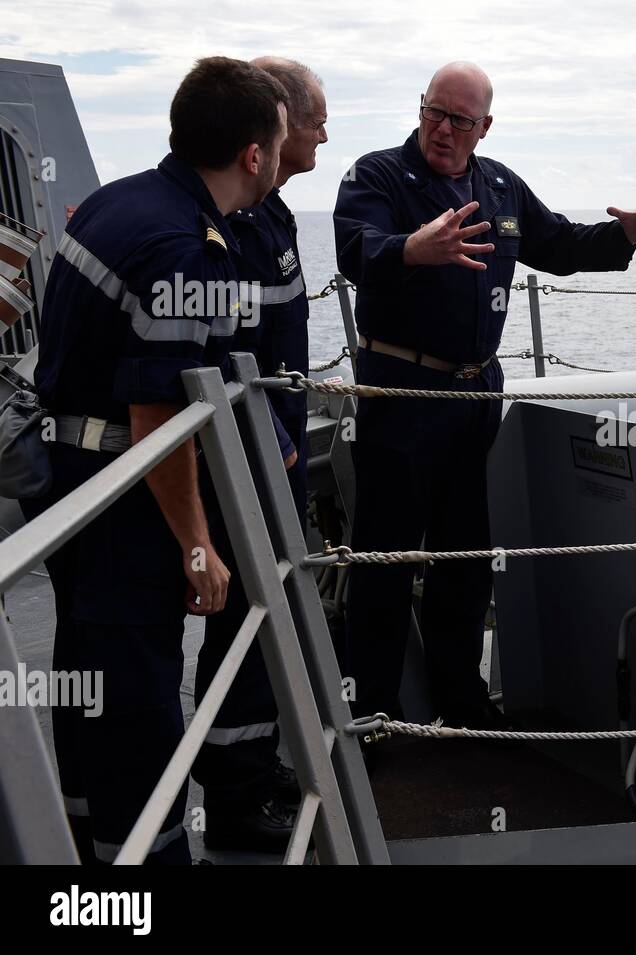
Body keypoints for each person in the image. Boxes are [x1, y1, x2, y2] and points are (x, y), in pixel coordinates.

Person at [334, 61, 636, 728]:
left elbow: (558, 243)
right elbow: (354, 249)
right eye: (435, 111)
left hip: (475, 396)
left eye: (461, 119)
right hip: (403, 392)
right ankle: (369, 717)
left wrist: (621, 235)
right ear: (420, 107)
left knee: (465, 556)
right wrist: (411, 250)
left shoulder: (499, 186)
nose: (444, 128)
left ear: (484, 126)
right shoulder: (374, 175)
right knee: (386, 560)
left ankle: (460, 703)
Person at [23, 57, 287, 864]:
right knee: (137, 701)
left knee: (88, 682)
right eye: (279, 139)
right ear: (254, 153)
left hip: (68, 473)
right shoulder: (187, 246)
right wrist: (198, 546)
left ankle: (84, 834)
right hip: (120, 497)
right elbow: (158, 416)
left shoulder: (121, 201)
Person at [190, 57, 327, 852]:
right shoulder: (238, 226)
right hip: (250, 467)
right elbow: (226, 355)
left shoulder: (270, 215)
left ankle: (255, 763)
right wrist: (273, 443)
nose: (320, 134)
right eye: (312, 121)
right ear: (275, 127)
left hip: (276, 460)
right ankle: (236, 795)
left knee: (265, 623)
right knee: (245, 624)